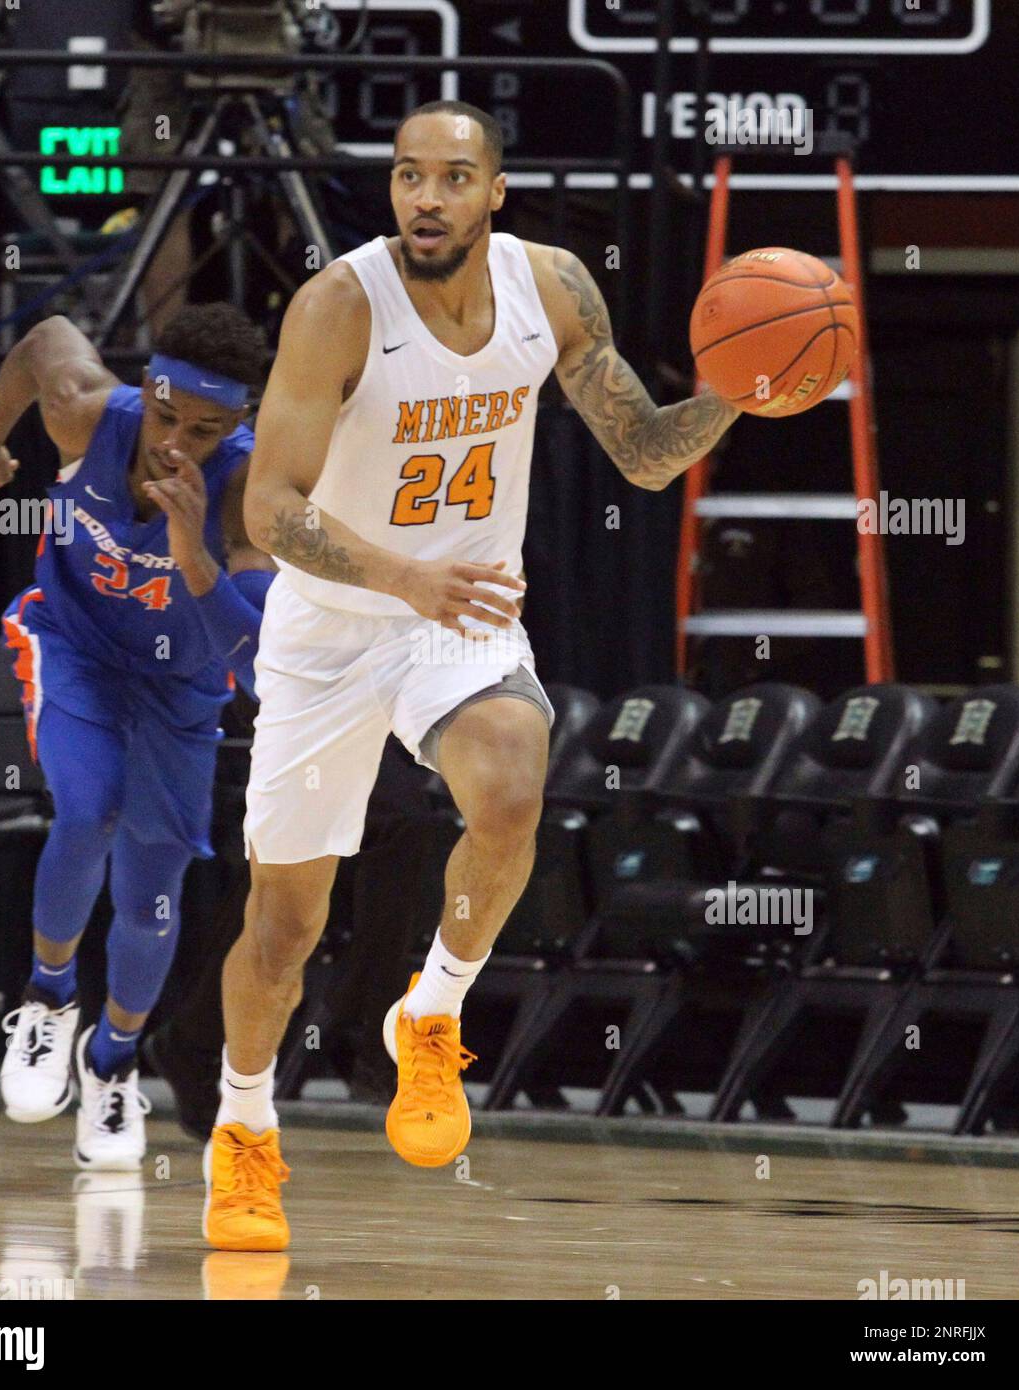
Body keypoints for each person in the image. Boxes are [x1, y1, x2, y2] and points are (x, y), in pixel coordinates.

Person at [202, 100, 745, 1252]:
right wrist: (405, 579)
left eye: (453, 177)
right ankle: (243, 1131)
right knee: (283, 929)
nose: (426, 198)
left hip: (464, 612)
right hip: (333, 625)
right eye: (407, 176)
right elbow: (268, 512)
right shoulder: (338, 306)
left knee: (508, 784)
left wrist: (740, 392)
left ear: (495, 191)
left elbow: (645, 456)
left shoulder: (548, 289)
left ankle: (431, 1013)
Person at [0, 302, 277, 1170]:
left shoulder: (252, 491)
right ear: (149, 388)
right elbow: (43, 336)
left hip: (179, 687)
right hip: (74, 646)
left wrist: (192, 548)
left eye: (206, 430)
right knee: (87, 809)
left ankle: (112, 1062)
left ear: (239, 425)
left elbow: (253, 669)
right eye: (167, 414)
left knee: (150, 892)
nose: (177, 441)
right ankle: (48, 1000)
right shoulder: (86, 411)